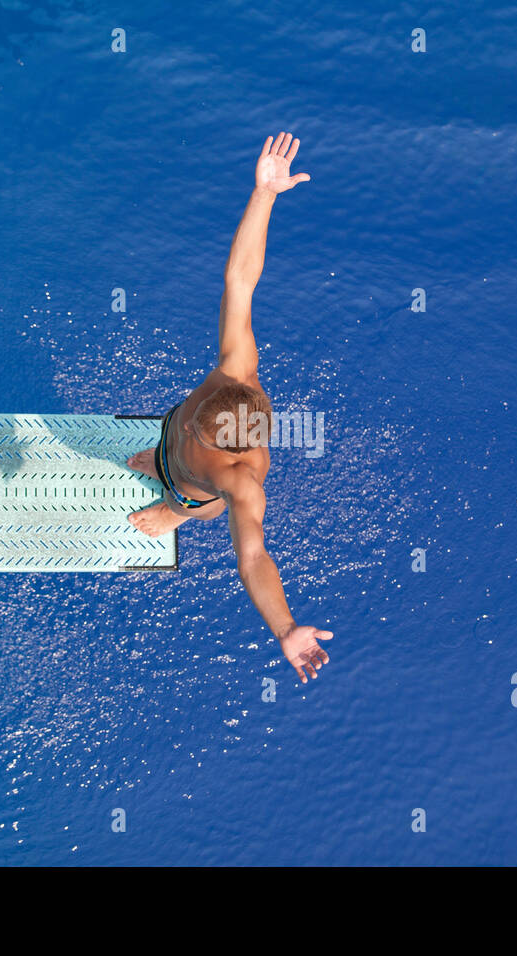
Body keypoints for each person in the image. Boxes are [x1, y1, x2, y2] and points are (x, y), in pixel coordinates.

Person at [126, 132, 332, 684]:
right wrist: (264, 195)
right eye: (199, 414)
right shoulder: (235, 368)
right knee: (164, 452)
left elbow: (252, 559)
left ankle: (172, 511)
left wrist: (285, 627)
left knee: (187, 498)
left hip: (197, 490)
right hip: (175, 448)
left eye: (201, 429)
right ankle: (159, 458)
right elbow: (241, 279)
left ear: (229, 444)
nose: (196, 419)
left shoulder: (243, 481)